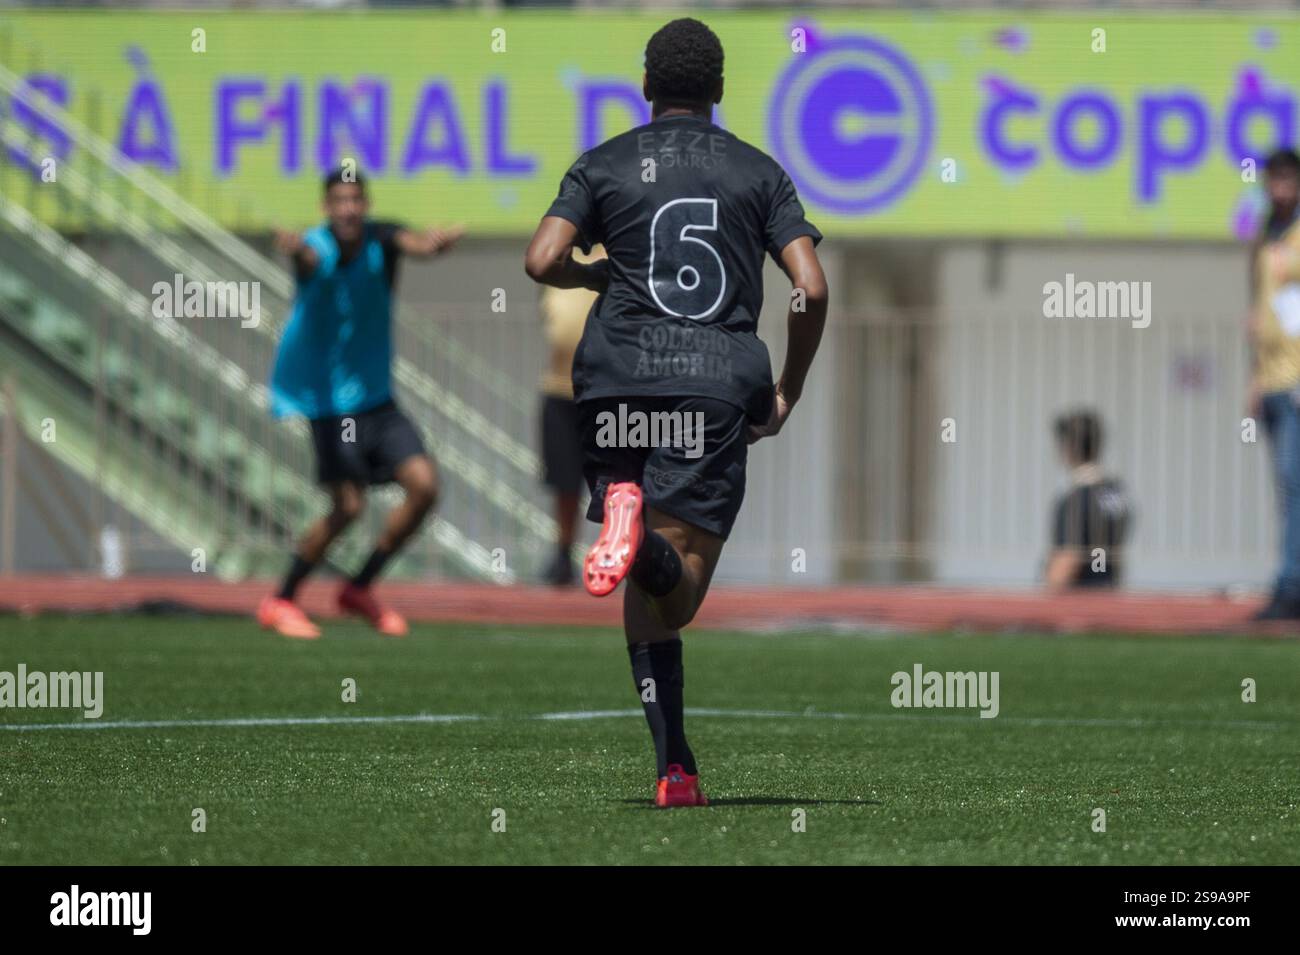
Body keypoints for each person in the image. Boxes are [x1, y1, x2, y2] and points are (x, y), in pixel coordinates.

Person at [524, 18, 828, 807]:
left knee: (643, 585)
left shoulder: (604, 163)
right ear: (720, 90)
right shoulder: (760, 172)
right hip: (710, 390)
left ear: (647, 88)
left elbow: (541, 258)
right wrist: (788, 387)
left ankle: (676, 769)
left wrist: (593, 280)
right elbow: (813, 288)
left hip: (611, 384)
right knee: (679, 591)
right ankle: (642, 545)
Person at [257, 167, 462, 639]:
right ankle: (281, 599)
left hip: (376, 400)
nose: (348, 208)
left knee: (425, 487)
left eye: (355, 199)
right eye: (339, 200)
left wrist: (434, 246)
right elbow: (309, 262)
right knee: (348, 506)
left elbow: (415, 245)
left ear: (365, 205)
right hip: (327, 402)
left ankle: (359, 587)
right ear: (327, 208)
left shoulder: (383, 239)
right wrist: (297, 253)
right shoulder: (317, 246)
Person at [1248, 148, 1300, 620]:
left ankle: (1291, 587)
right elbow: (1258, 309)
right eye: (1273, 177)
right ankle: (1289, 580)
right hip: (1274, 378)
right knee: (1287, 486)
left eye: (1288, 177)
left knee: (1295, 481)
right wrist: (1255, 379)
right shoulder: (1267, 233)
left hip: (1298, 375)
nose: (1279, 185)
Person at [537, 246, 606, 586]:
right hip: (560, 388)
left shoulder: (620, 247)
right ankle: (563, 553)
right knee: (564, 482)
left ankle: (621, 551)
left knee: (618, 480)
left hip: (608, 391)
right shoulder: (557, 257)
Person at [1045, 410, 1132, 589]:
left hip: (1080, 602)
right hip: (1109, 591)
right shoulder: (1114, 492)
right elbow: (1103, 551)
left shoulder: (1077, 498)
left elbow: (1069, 558)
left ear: (1068, 446)